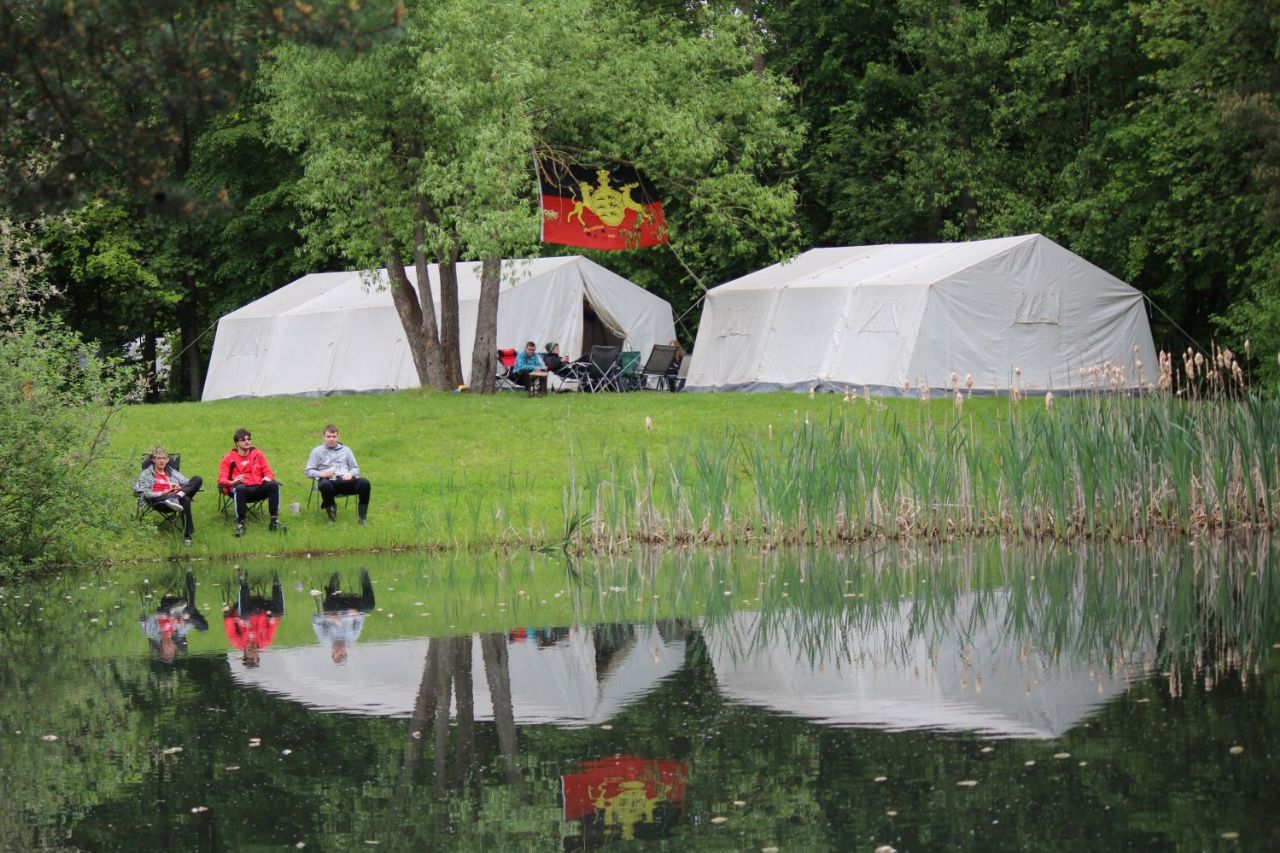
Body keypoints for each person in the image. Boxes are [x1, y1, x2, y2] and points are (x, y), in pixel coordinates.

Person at [218, 427, 281, 537]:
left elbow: (268, 471)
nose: (247, 441)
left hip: (258, 487)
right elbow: (221, 480)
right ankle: (241, 524)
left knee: (273, 485)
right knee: (240, 488)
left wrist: (267, 477)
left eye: (248, 439)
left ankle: (274, 522)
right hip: (241, 490)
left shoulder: (258, 454)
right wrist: (233, 482)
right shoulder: (228, 458)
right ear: (237, 443)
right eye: (243, 439)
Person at [304, 424, 372, 525]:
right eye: (328, 436)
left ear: (337, 437)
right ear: (324, 437)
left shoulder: (346, 450)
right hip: (328, 482)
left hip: (345, 481)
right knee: (324, 485)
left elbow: (356, 468)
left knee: (365, 483)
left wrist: (350, 473)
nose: (331, 439)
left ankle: (362, 518)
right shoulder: (317, 451)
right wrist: (321, 473)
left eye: (334, 436)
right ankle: (332, 517)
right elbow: (308, 471)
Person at [135, 446, 203, 545]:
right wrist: (164, 492)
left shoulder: (171, 471)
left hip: (175, 497)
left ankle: (177, 497)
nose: (161, 461)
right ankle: (187, 536)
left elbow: (187, 482)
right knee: (186, 499)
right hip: (160, 501)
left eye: (164, 458)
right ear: (154, 460)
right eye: (159, 458)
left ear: (167, 460)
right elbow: (147, 493)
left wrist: (180, 487)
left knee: (197, 479)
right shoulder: (146, 473)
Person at [139, 569, 209, 662]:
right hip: (179, 608)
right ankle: (189, 576)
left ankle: (189, 578)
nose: (169, 645)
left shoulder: (152, 632)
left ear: (161, 647)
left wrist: (165, 617)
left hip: (164, 608)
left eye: (166, 649)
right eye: (171, 649)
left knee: (169, 611)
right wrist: (184, 620)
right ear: (174, 647)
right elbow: (190, 623)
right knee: (202, 626)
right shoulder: (179, 633)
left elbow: (143, 618)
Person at [311, 568, 375, 664]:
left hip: (335, 607)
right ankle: (364, 574)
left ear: (332, 653)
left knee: (330, 607)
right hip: (351, 607)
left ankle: (335, 575)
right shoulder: (352, 637)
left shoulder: (325, 638)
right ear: (346, 652)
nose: (339, 649)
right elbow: (361, 619)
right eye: (342, 653)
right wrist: (356, 614)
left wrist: (330, 617)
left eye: (337, 652)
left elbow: (315, 619)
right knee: (369, 606)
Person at [223, 571, 285, 668]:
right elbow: (275, 623)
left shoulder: (237, 642)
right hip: (262, 608)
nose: (252, 652)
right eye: (254, 656)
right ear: (257, 655)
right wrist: (273, 619)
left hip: (244, 609)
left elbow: (228, 621)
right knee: (279, 613)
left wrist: (240, 620)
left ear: (245, 655)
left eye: (249, 656)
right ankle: (276, 582)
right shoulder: (266, 642)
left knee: (244, 615)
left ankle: (243, 581)